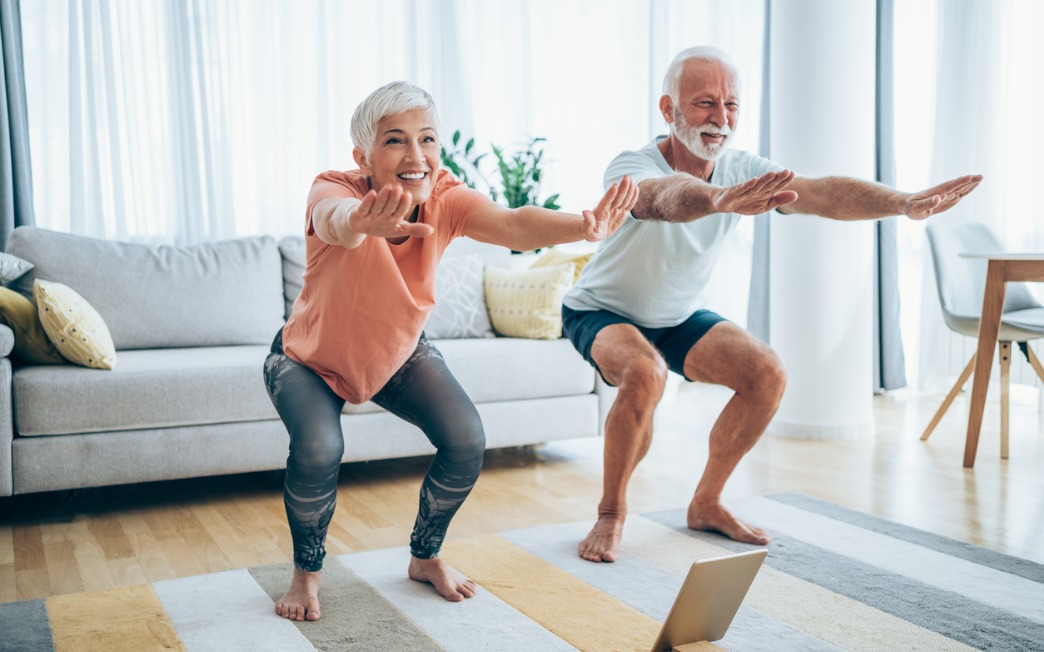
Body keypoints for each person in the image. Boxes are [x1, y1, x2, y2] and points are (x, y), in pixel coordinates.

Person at [561, 46, 982, 563]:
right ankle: (611, 514)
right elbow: (659, 199)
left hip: (677, 315)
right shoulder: (632, 165)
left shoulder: (742, 168)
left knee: (767, 373)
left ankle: (707, 503)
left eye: (732, 104)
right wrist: (715, 199)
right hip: (602, 310)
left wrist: (904, 203)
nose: (721, 118)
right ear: (668, 110)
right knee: (645, 373)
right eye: (704, 103)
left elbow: (821, 193)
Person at [263, 80, 638, 621]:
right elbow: (333, 222)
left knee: (466, 440)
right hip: (307, 358)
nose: (416, 156)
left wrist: (584, 226)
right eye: (396, 141)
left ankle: (425, 556)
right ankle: (307, 574)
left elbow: (512, 223)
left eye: (427, 139)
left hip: (395, 351)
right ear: (363, 157)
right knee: (319, 449)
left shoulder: (443, 196)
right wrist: (360, 222)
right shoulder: (334, 188)